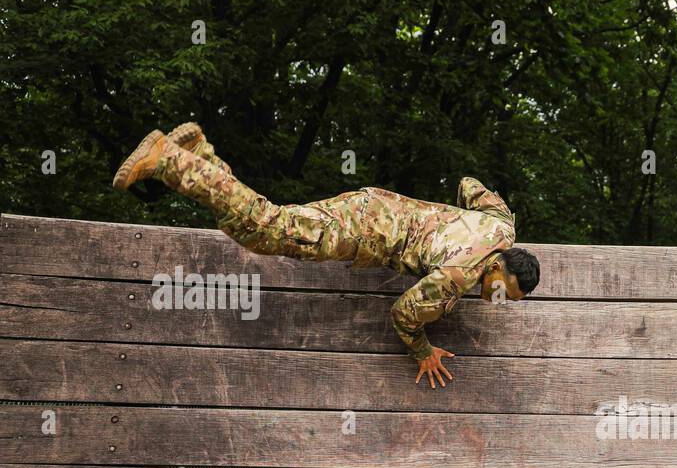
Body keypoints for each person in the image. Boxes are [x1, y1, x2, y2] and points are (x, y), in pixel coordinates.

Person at [112, 124, 540, 388]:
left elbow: (468, 184)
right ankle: (168, 160)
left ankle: (200, 156)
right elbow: (405, 314)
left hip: (374, 206)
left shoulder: (502, 224)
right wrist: (423, 351)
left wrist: (449, 225)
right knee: (266, 229)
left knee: (263, 227)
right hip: (362, 231)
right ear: (497, 265)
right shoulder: (457, 277)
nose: (495, 299)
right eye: (500, 290)